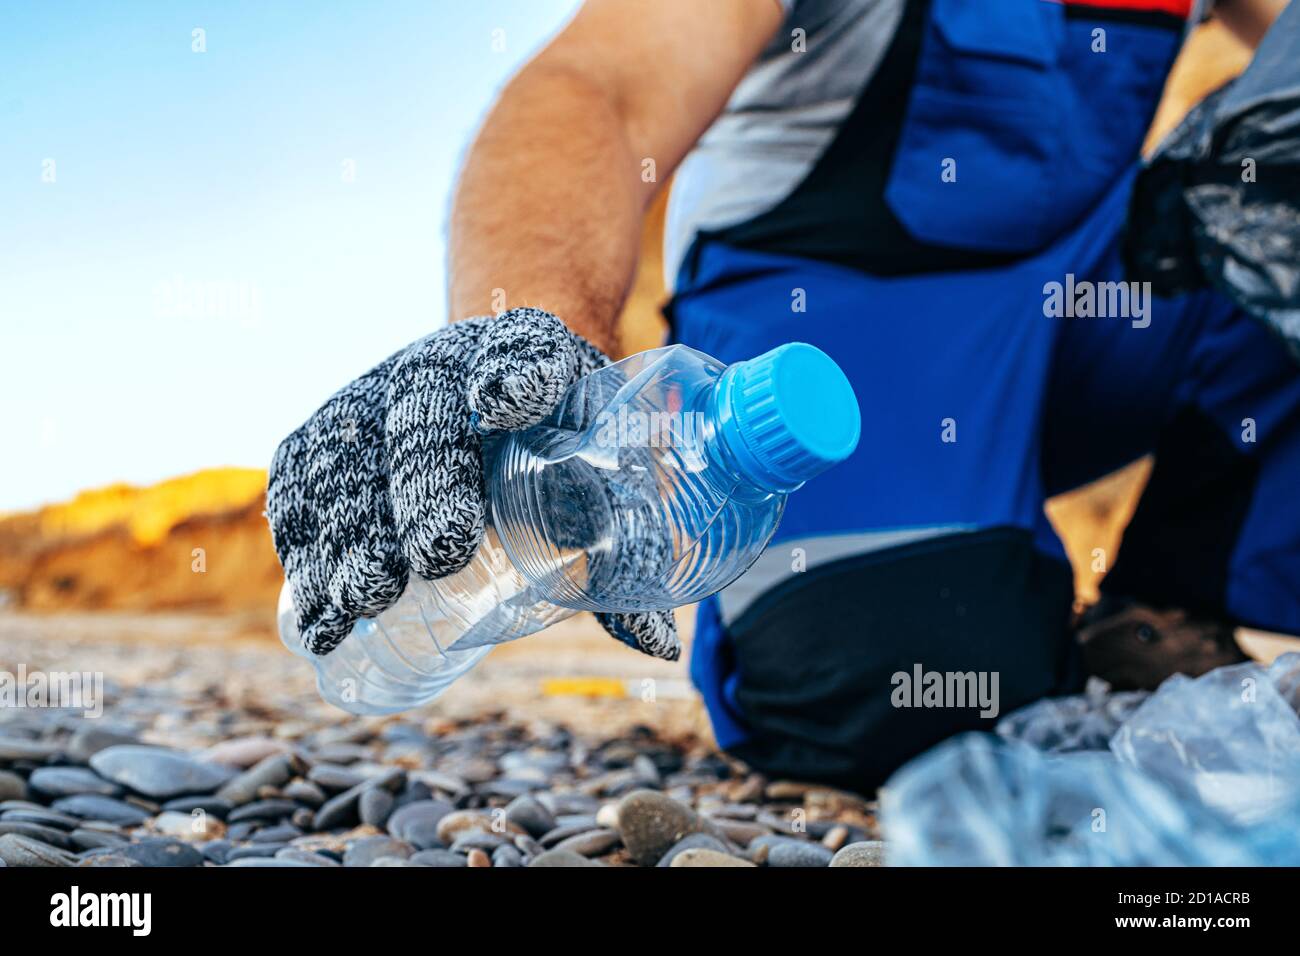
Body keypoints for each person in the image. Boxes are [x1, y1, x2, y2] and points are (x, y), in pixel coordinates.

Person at [268, 0, 1297, 793]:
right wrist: (521, 337)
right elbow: (602, 83)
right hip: (833, 335)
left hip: (1097, 307)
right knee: (907, 687)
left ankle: (1167, 604)